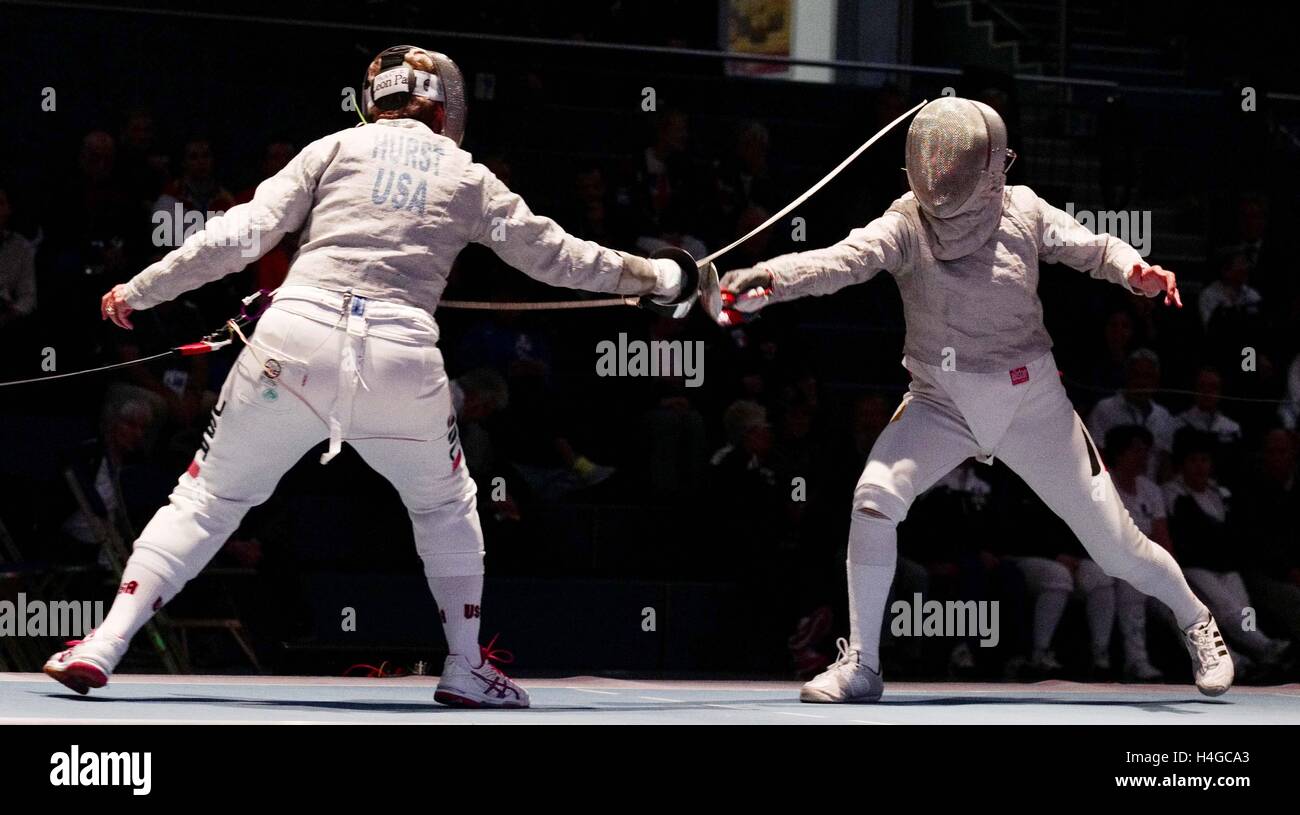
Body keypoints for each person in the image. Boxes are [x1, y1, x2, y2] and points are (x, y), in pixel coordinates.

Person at [44, 45, 695, 709]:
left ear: (372, 98)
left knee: (207, 500)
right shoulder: (464, 172)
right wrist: (659, 277)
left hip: (292, 344)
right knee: (446, 505)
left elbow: (238, 235)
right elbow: (557, 255)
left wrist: (142, 289)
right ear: (443, 103)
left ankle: (103, 643)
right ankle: (466, 665)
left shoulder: (332, 150)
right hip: (401, 363)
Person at [714, 96, 1232, 701]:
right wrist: (767, 282)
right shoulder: (905, 224)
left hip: (1030, 404)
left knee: (1118, 550)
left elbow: (1091, 248)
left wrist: (1133, 268)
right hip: (941, 401)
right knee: (874, 498)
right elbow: (838, 262)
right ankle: (863, 665)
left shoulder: (1024, 210)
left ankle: (1197, 619)